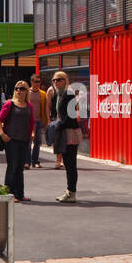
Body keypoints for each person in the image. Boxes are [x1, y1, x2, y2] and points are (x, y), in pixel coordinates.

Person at [0, 81, 34, 202]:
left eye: (22, 89)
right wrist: (2, 134)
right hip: (11, 141)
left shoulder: (29, 106)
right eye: (17, 88)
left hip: (24, 140)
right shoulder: (9, 104)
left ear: (26, 91)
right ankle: (10, 194)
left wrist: (32, 134)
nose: (19, 91)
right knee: (12, 166)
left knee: (20, 168)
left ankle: (20, 194)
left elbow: (31, 122)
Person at [50, 71, 81, 202]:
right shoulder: (59, 95)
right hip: (64, 131)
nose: (56, 82)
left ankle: (71, 193)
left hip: (70, 132)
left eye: (59, 80)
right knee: (68, 163)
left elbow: (71, 116)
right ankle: (70, 191)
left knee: (70, 163)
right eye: (54, 80)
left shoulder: (69, 95)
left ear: (65, 80)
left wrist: (58, 126)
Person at [28, 75, 49, 168]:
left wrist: (46, 119)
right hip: (28, 121)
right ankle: (27, 161)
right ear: (31, 82)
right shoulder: (26, 92)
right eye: (36, 81)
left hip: (38, 120)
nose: (38, 84)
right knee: (28, 142)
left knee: (37, 142)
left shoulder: (43, 94)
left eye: (39, 82)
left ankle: (35, 161)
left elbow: (46, 107)